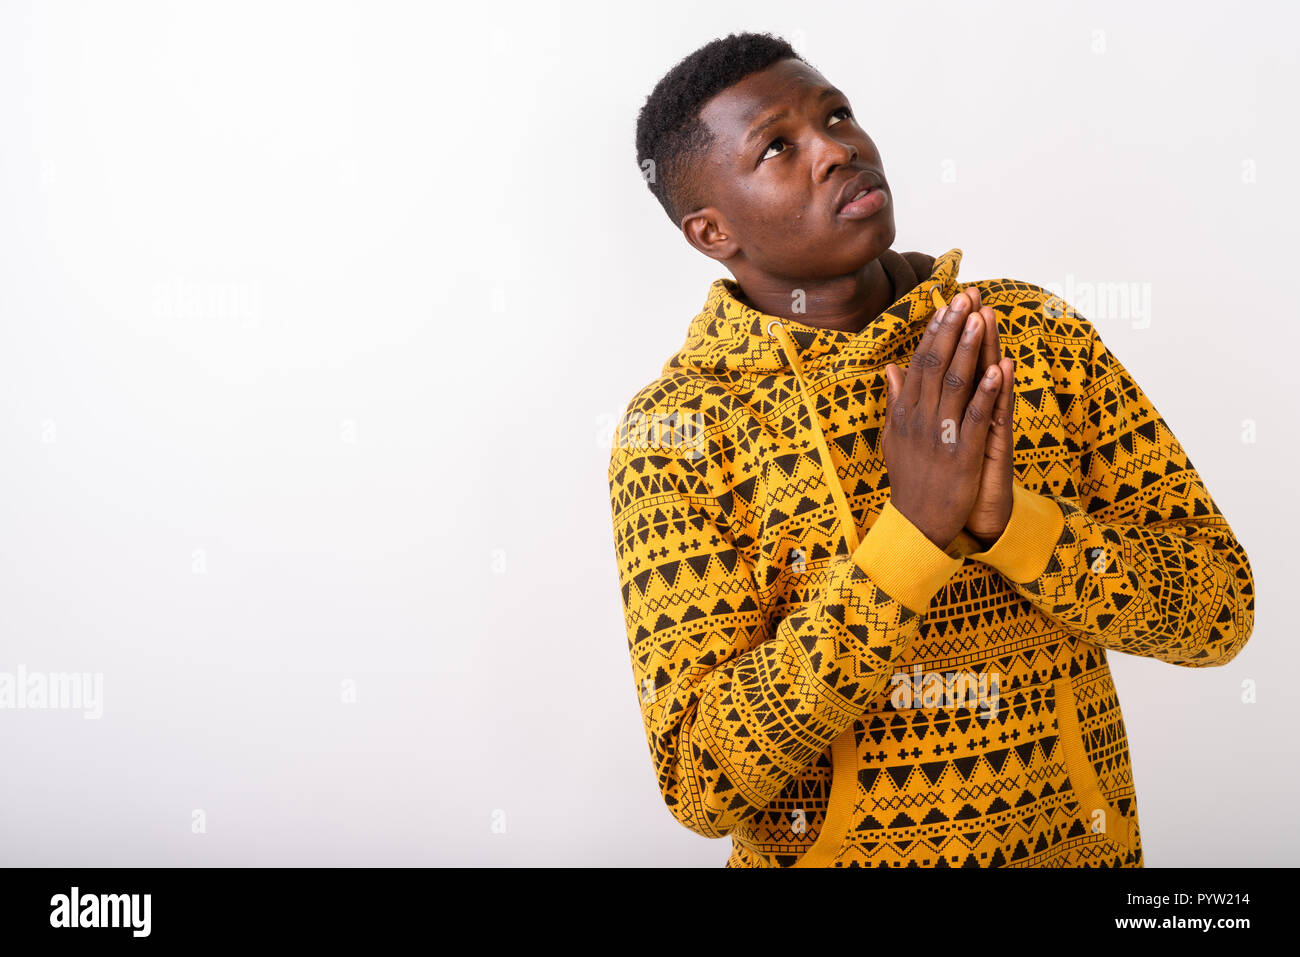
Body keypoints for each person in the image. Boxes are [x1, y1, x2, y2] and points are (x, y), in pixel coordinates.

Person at [608, 31, 1255, 867]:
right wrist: (907, 544)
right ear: (710, 229)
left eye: (837, 114)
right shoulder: (681, 432)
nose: (838, 149)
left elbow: (1219, 612)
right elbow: (699, 779)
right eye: (779, 146)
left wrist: (1011, 526)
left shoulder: (1029, 335)